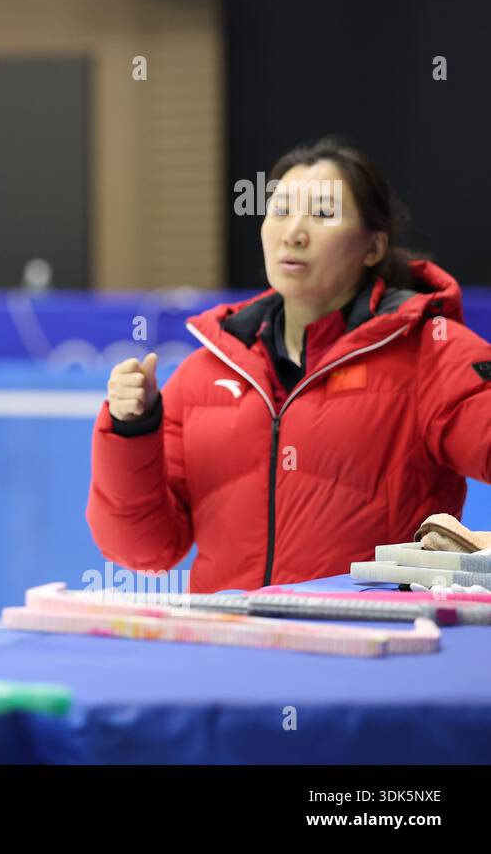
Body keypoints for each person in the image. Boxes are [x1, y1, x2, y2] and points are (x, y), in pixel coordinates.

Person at [87, 136, 491, 592]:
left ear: (373, 247)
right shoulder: (205, 375)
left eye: (321, 214)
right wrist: (131, 432)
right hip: (225, 647)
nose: (293, 231)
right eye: (280, 211)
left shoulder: (430, 354)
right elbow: (144, 550)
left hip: (371, 649)